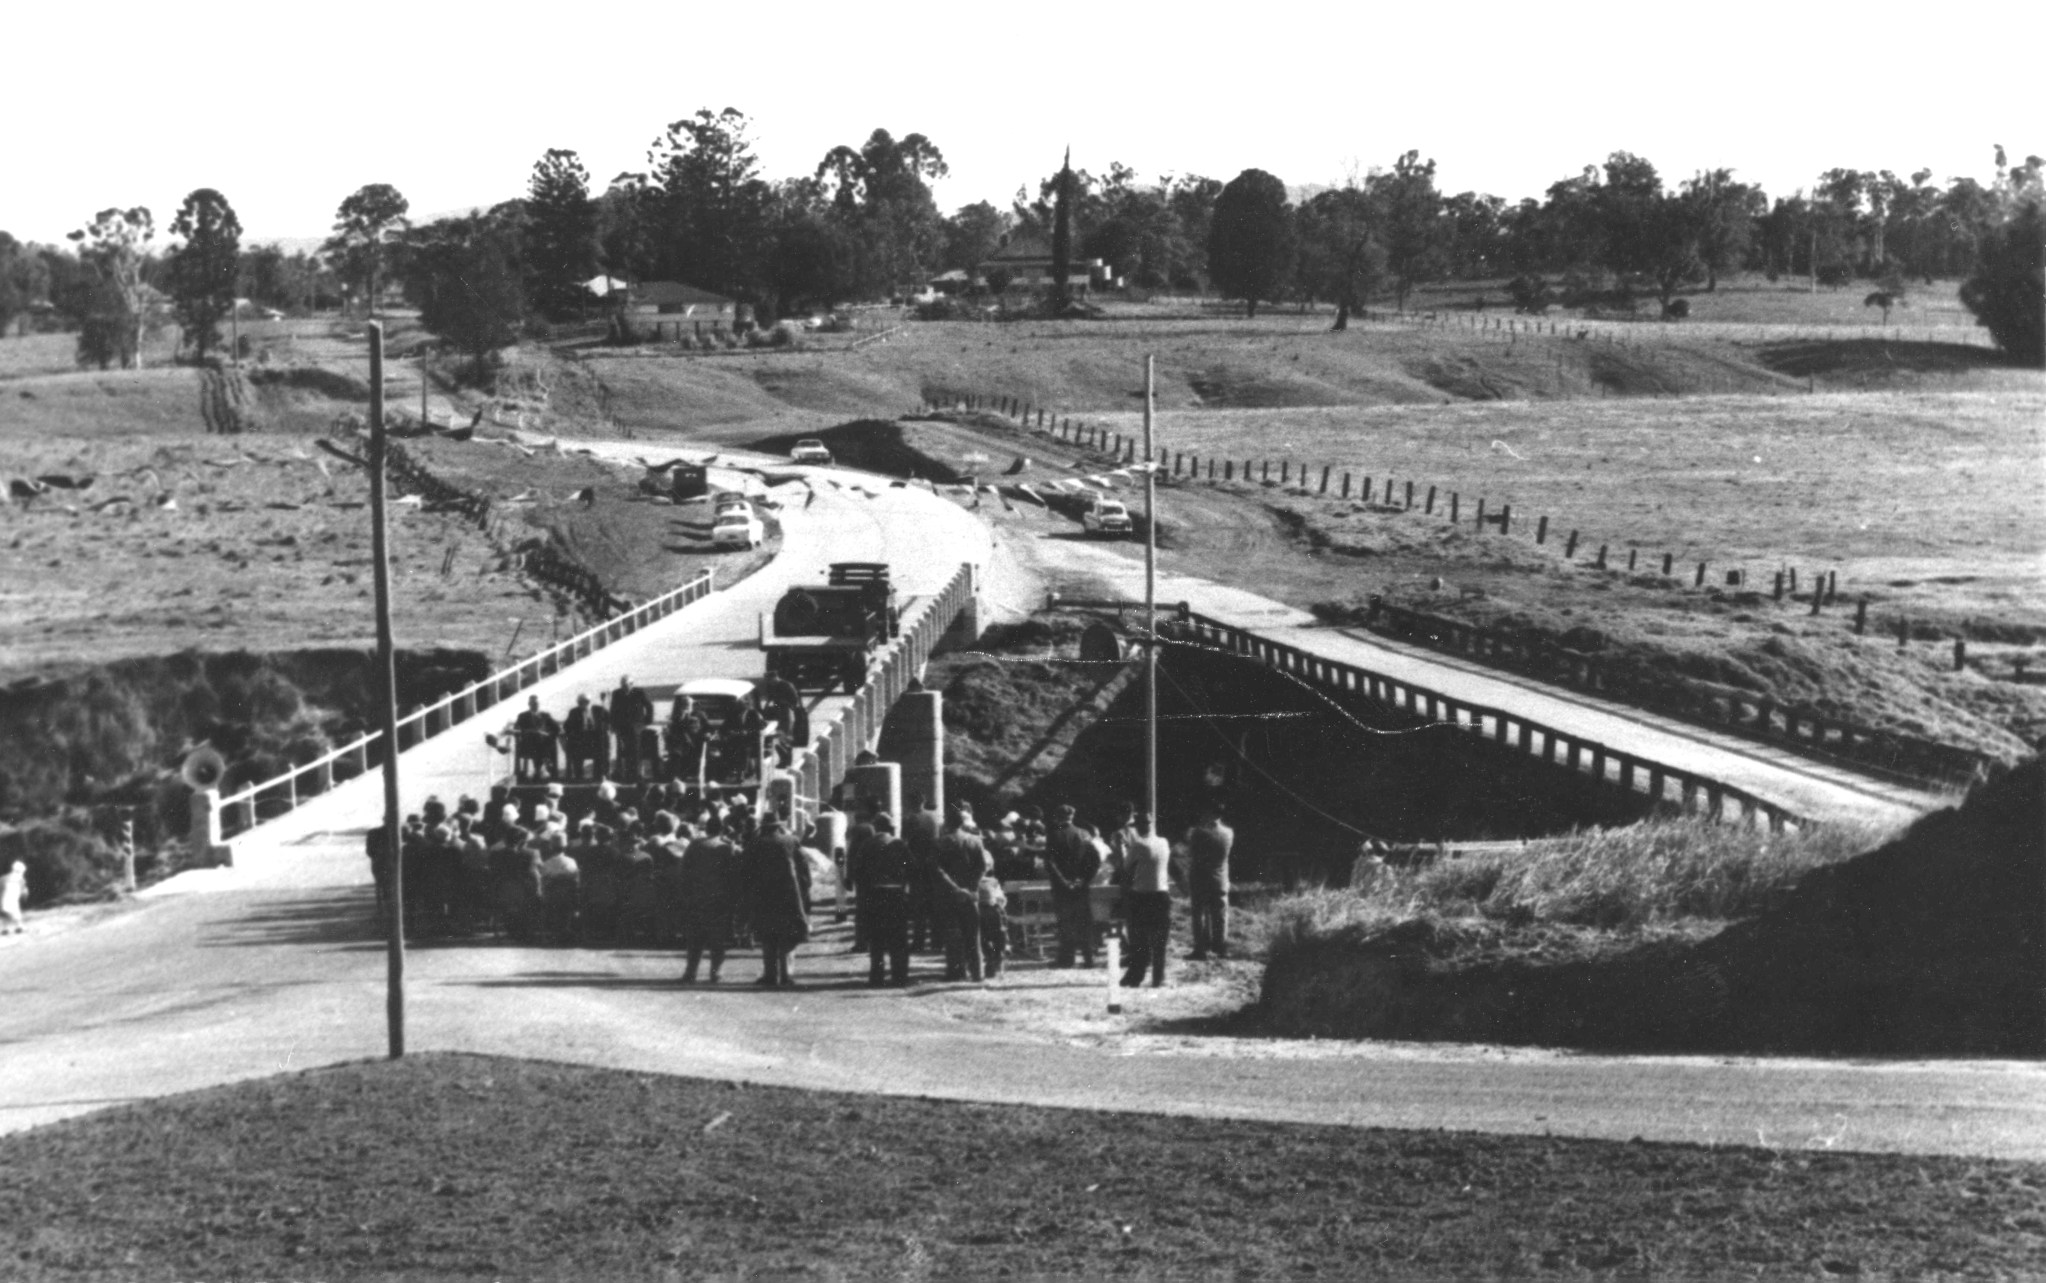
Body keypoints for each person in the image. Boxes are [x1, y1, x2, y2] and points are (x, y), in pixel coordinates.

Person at [743, 814, 810, 987]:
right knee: (787, 934)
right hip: (788, 893)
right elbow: (803, 869)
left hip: (764, 894)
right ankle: (786, 975)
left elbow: (746, 872)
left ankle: (770, 974)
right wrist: (804, 891)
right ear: (778, 826)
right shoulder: (791, 841)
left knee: (767, 935)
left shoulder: (754, 844)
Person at [848, 812, 913, 986]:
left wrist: (865, 893)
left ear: (876, 828)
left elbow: (858, 871)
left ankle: (877, 977)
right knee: (898, 938)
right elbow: (910, 868)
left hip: (875, 895)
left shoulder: (867, 845)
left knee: (876, 938)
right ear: (891, 828)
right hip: (896, 895)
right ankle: (900, 976)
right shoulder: (900, 845)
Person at [931, 803, 991, 982]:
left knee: (952, 933)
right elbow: (982, 867)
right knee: (973, 934)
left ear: (948, 823)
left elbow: (938, 870)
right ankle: (977, 971)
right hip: (970, 893)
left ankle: (956, 971)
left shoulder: (940, 842)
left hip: (949, 894)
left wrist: (955, 888)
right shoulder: (975, 840)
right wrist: (970, 887)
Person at [678, 816, 738, 982]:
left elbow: (683, 871)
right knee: (717, 938)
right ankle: (715, 971)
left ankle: (690, 971)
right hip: (718, 898)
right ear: (721, 829)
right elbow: (731, 874)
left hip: (696, 896)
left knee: (695, 937)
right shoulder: (726, 848)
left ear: (707, 828)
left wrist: (685, 893)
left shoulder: (694, 845)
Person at [1118, 810, 1174, 988]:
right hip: (1162, 894)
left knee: (1139, 939)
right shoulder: (1164, 842)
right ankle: (1159, 977)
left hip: (1142, 895)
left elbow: (1126, 867)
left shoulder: (1138, 845)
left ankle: (1136, 975)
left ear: (1140, 826)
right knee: (1160, 941)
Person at [1044, 804, 1101, 968]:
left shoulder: (1054, 835)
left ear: (1058, 817)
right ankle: (1089, 958)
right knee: (1084, 921)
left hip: (1062, 888)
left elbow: (1050, 863)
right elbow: (1095, 860)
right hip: (1081, 886)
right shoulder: (1084, 834)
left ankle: (1067, 959)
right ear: (1072, 817)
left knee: (1065, 922)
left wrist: (1064, 882)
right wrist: (1083, 879)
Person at [1185, 809, 1236, 960]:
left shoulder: (1198, 833)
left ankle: (1200, 949)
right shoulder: (1228, 833)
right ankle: (1221, 948)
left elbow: (1192, 852)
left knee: (1199, 914)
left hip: (1200, 878)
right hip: (1220, 878)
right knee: (1220, 914)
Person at [902, 792, 943, 953]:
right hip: (932, 864)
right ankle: (936, 942)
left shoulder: (910, 819)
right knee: (934, 906)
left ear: (912, 803)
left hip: (916, 865)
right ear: (924, 801)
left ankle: (918, 942)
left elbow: (905, 842)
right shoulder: (934, 817)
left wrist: (906, 866)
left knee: (919, 907)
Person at [610, 676, 653, 780]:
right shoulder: (617, 693)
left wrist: (647, 721)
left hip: (636, 725)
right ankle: (623, 773)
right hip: (622, 726)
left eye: (627, 685)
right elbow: (613, 710)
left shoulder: (639, 692)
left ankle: (636, 773)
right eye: (623, 685)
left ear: (631, 684)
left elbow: (649, 706)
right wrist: (613, 725)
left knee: (635, 749)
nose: (625, 687)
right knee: (621, 750)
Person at [563, 693, 609, 782]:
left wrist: (605, 727)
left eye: (586, 702)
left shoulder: (598, 709)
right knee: (576, 748)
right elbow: (566, 726)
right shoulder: (574, 712)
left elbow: (609, 719)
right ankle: (579, 777)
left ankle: (599, 775)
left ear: (589, 702)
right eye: (581, 702)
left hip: (595, 739)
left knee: (603, 745)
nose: (584, 704)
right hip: (581, 740)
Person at [514, 695, 559, 782]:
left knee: (542, 738)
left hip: (543, 743)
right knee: (536, 736)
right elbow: (517, 729)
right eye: (533, 703)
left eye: (537, 703)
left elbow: (556, 728)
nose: (535, 705)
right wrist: (529, 732)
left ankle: (537, 770)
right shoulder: (523, 716)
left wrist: (548, 734)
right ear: (529, 704)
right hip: (527, 744)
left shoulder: (545, 715)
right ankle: (542, 767)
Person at [1, 858, 26, 934]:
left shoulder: (3, 878)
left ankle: (5, 929)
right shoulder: (21, 879)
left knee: (6, 914)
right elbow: (23, 891)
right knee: (14, 913)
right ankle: (19, 927)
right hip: (8, 900)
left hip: (8, 900)